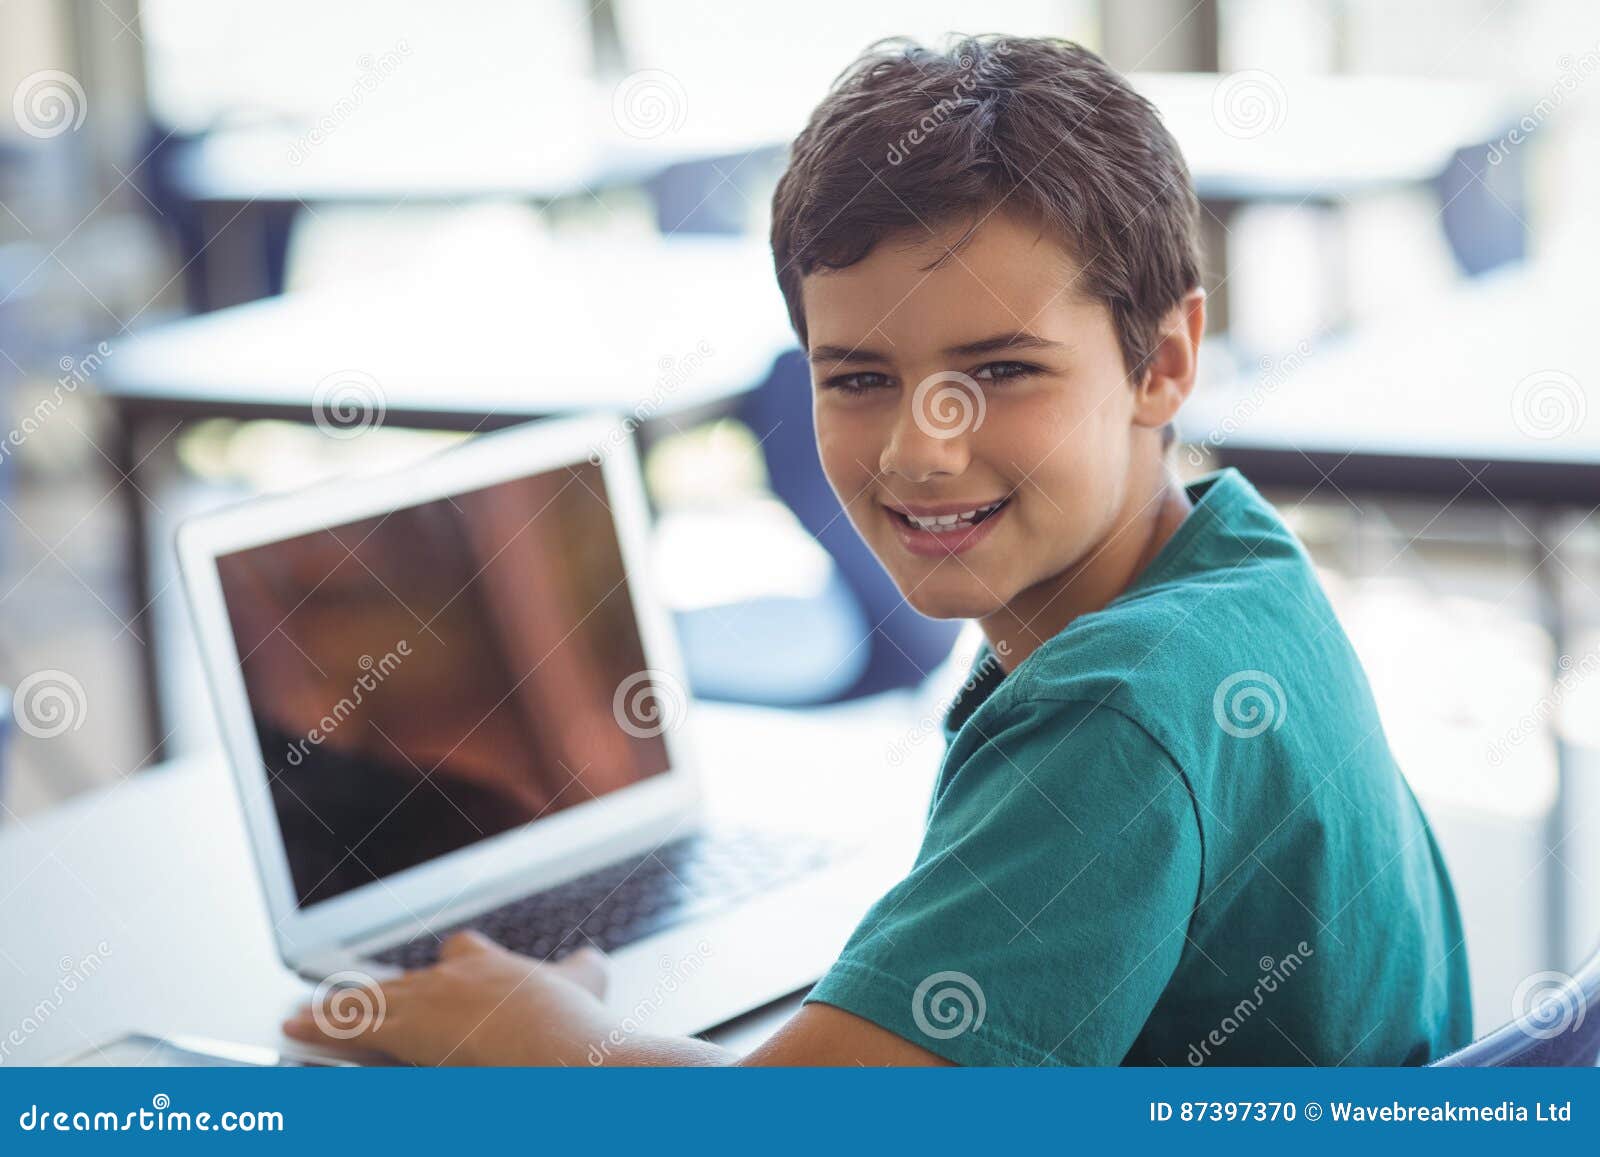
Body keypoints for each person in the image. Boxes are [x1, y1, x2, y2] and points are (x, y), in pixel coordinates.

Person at [285, 34, 1472, 1067]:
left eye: (1000, 371)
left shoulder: (1114, 713)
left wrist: (535, 1031)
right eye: (857, 377)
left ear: (1161, 362)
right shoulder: (1238, 566)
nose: (921, 449)